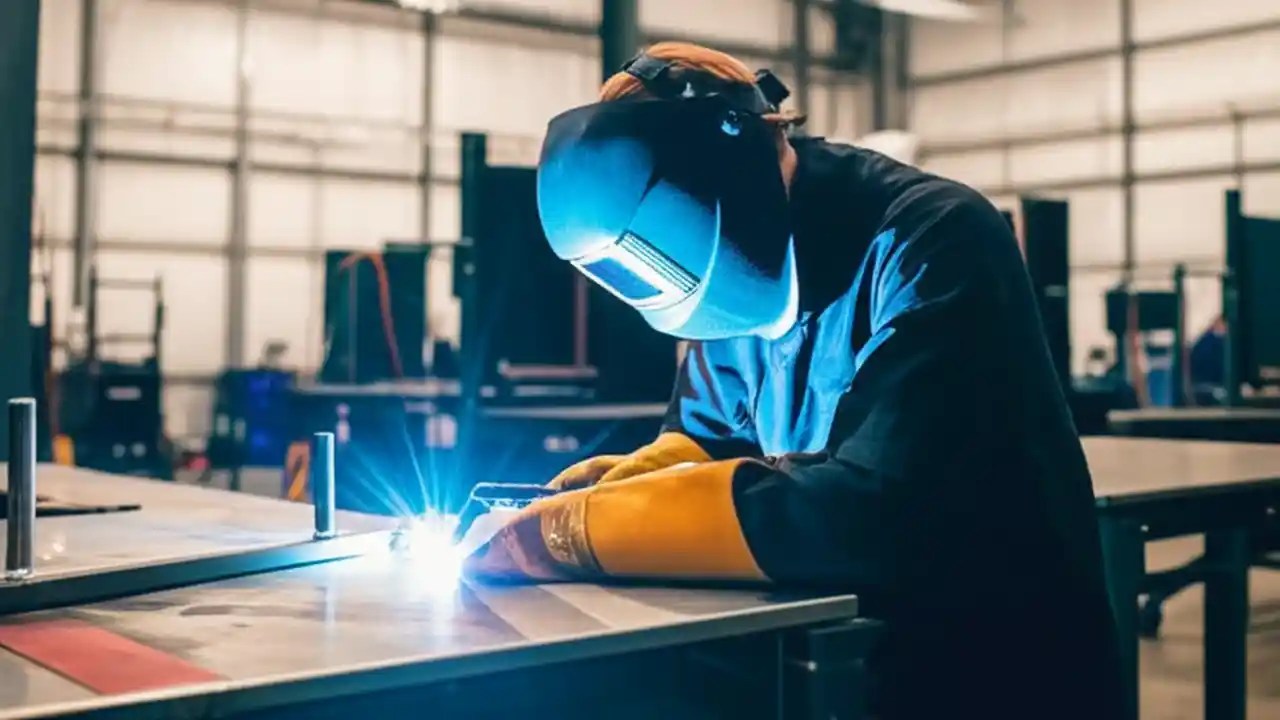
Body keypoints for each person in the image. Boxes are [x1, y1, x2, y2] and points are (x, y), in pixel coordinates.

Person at [463, 42, 1123, 719]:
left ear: (732, 166)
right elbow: (708, 437)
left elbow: (865, 514)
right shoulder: (737, 284)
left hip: (994, 671)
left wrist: (571, 535)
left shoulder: (934, 240)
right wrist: (612, 485)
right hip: (848, 666)